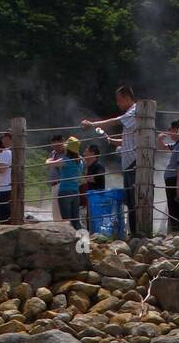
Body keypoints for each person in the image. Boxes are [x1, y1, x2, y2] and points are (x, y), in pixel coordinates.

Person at [82, 85, 137, 234]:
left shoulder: (135, 111)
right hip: (128, 163)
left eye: (119, 100)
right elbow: (126, 141)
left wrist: (92, 124)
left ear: (127, 98)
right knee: (130, 200)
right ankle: (134, 232)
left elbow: (115, 121)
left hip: (134, 162)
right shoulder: (131, 117)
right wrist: (109, 139)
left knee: (134, 199)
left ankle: (138, 231)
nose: (118, 104)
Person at [157, 119, 179, 232]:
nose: (169, 132)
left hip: (174, 179)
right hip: (171, 179)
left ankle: (178, 231)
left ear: (176, 130)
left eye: (170, 129)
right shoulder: (178, 144)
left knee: (175, 207)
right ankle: (176, 230)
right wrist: (159, 140)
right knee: (172, 206)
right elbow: (164, 147)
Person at [55, 136, 85, 228]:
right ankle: (80, 239)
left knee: (66, 221)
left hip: (65, 192)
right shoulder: (80, 162)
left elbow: (48, 164)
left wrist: (49, 159)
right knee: (76, 221)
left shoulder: (66, 160)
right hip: (75, 192)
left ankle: (69, 240)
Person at [45, 135, 65, 220]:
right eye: (53, 146)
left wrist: (50, 162)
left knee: (61, 210)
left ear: (63, 142)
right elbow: (48, 163)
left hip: (62, 184)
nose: (55, 148)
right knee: (55, 211)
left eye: (57, 145)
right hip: (54, 184)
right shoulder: (53, 153)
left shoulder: (66, 154)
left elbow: (49, 162)